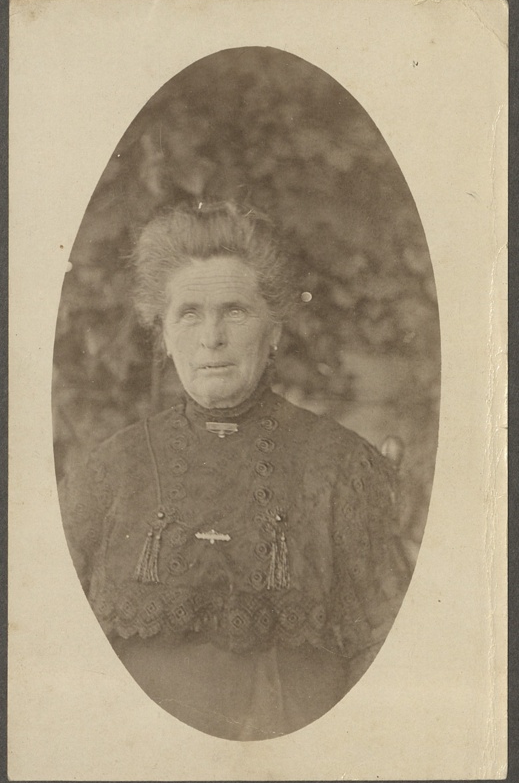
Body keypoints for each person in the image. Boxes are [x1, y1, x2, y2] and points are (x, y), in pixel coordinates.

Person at [59, 201, 408, 740]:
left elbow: (389, 655)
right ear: (163, 333)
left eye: (235, 311)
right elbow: (53, 649)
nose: (212, 337)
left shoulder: (344, 469)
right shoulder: (108, 472)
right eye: (189, 313)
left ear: (274, 331)